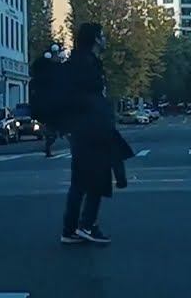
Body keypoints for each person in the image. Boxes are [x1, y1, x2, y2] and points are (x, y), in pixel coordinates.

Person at [60, 22, 130, 246]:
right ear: (95, 40)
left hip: (82, 127)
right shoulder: (87, 66)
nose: (105, 39)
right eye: (102, 36)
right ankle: (86, 225)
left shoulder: (78, 63)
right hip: (91, 127)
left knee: (80, 180)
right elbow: (90, 98)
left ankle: (71, 229)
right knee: (97, 176)